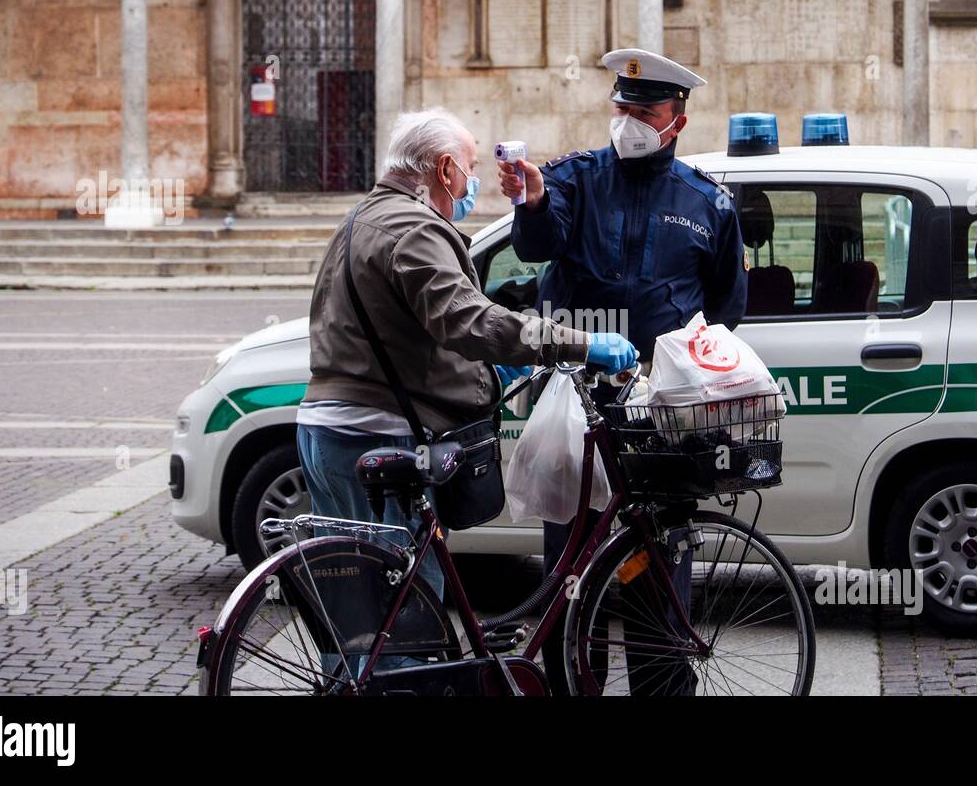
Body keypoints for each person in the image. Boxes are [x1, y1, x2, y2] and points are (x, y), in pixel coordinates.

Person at [297, 107, 637, 615]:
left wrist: (485, 373)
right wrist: (580, 345)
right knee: (406, 610)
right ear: (443, 169)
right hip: (377, 437)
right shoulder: (414, 229)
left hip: (328, 432)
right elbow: (471, 321)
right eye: (471, 168)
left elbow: (399, 336)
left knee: (354, 610)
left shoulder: (362, 218)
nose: (473, 181)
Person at [498, 49, 748, 695]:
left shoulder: (708, 203)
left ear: (677, 122)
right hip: (581, 417)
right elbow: (536, 241)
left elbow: (725, 308)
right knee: (573, 586)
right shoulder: (576, 180)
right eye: (621, 108)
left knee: (658, 592)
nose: (628, 120)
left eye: (644, 110)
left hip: (662, 422)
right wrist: (530, 200)